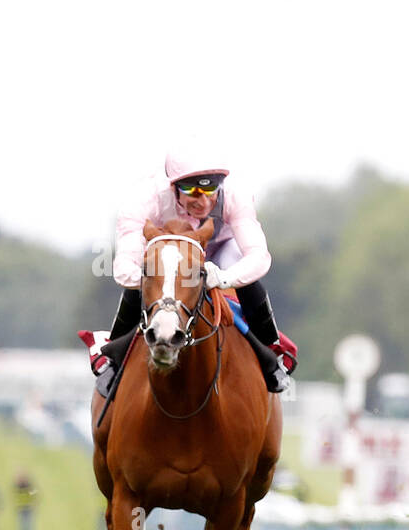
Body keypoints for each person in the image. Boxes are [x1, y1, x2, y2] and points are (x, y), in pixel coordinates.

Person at [90, 145, 294, 394]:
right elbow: (124, 267)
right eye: (192, 190)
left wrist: (224, 277)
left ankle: (271, 351)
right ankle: (114, 357)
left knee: (246, 279)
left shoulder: (235, 196)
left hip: (220, 252)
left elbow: (259, 256)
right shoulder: (145, 200)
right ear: (173, 186)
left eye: (209, 189)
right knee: (145, 277)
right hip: (168, 259)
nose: (203, 200)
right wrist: (155, 277)